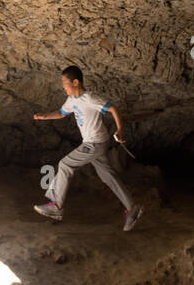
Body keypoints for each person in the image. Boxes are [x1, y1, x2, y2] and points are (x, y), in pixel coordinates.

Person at [32, 65, 143, 231]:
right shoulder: (72, 100)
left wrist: (120, 129)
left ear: (75, 82)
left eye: (65, 82)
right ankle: (132, 208)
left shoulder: (90, 98)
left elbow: (112, 109)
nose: (63, 86)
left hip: (94, 143)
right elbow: (62, 113)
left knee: (65, 164)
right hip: (96, 143)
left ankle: (56, 205)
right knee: (108, 176)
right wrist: (44, 116)